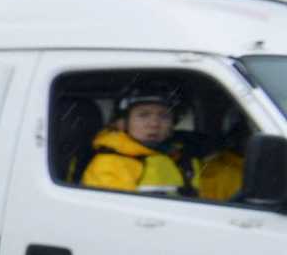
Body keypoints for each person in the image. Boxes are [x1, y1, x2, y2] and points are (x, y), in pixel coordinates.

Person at [79, 81, 241, 197]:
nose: (154, 123)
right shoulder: (110, 165)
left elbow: (217, 188)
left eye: (164, 116)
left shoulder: (182, 157)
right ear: (121, 123)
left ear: (172, 125)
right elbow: (118, 217)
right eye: (143, 115)